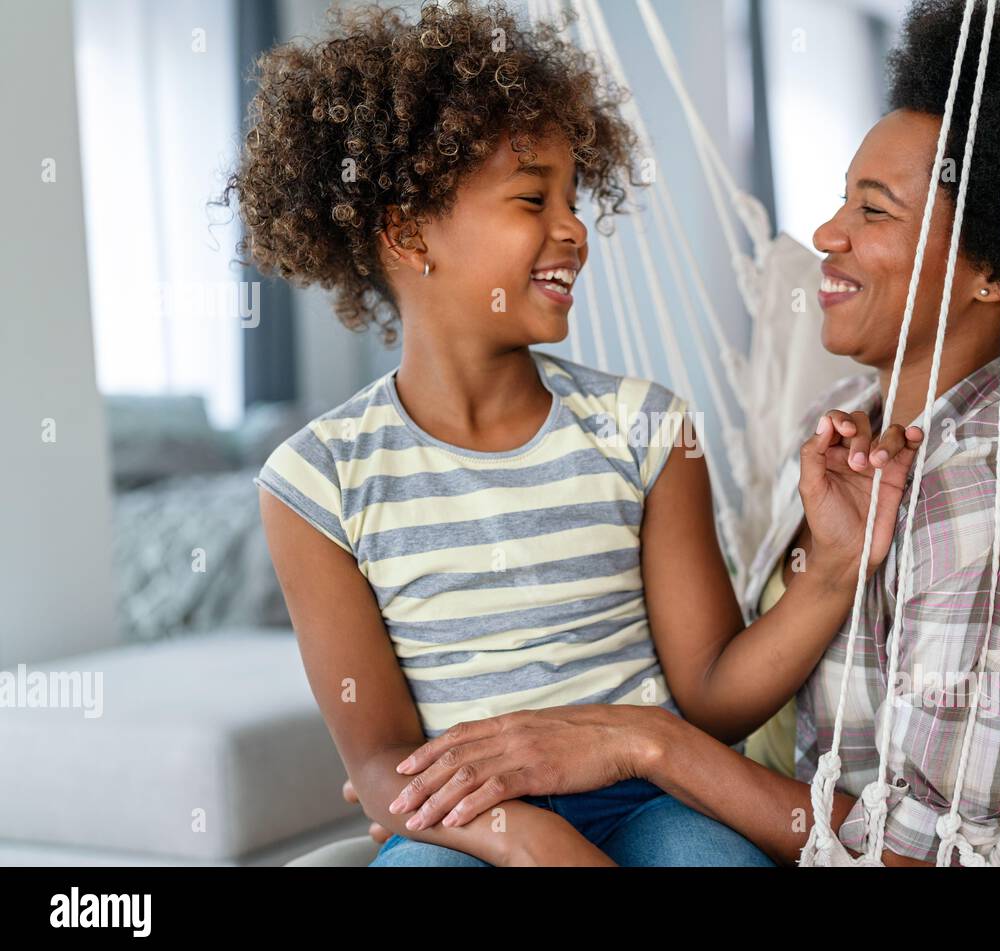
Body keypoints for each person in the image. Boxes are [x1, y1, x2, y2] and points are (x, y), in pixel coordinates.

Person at [356, 0, 1000, 866]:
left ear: (997, 272)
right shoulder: (854, 423)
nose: (825, 234)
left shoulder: (998, 500)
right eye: (844, 199)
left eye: (873, 212)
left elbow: (931, 858)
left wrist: (643, 745)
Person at [228, 0, 920, 867]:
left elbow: (710, 698)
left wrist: (829, 575)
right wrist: (534, 843)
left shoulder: (649, 429)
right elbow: (378, 764)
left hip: (654, 802)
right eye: (531, 198)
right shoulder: (314, 481)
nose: (572, 229)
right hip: (474, 823)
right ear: (407, 232)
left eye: (572, 195)